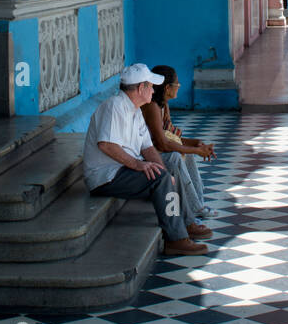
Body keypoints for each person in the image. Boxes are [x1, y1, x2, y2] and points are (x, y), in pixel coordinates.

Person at [82, 63, 208, 257]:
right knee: (160, 178)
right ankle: (176, 239)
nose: (153, 90)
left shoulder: (135, 110)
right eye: (150, 86)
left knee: (168, 169)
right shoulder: (115, 106)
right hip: (105, 176)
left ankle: (186, 222)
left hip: (122, 170)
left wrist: (161, 167)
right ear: (141, 88)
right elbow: (106, 145)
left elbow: (148, 147)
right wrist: (138, 164)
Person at [141, 66, 218, 240]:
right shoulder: (151, 106)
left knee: (187, 153)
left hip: (156, 149)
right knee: (174, 157)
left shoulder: (162, 106)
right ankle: (188, 216)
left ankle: (197, 205)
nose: (178, 87)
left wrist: (197, 144)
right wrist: (196, 150)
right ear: (168, 88)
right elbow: (162, 143)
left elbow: (172, 137)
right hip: (145, 155)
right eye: (177, 85)